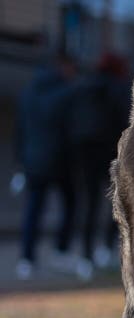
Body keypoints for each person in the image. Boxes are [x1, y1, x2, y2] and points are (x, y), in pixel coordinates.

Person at [14, 53, 77, 280]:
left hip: (32, 161)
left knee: (33, 209)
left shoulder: (28, 93)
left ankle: (26, 259)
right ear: (64, 67)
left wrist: (20, 160)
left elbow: (19, 130)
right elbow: (70, 129)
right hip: (59, 160)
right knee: (70, 203)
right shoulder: (66, 92)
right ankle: (60, 250)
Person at [69, 52, 129, 280]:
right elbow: (125, 117)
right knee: (116, 199)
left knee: (89, 203)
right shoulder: (118, 86)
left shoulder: (81, 86)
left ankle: (85, 257)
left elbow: (72, 119)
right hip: (108, 149)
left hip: (83, 151)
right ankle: (106, 249)